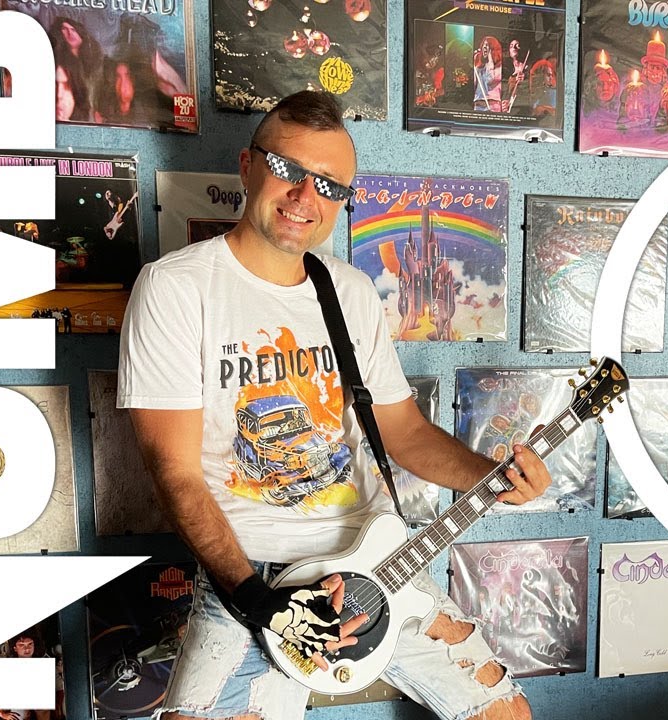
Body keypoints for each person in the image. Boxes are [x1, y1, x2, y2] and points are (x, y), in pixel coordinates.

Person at [118, 90, 548, 720]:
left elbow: (402, 431)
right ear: (247, 166)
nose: (305, 197)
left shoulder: (348, 289)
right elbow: (174, 474)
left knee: (505, 714)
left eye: (328, 184)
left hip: (375, 562)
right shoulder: (176, 288)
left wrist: (494, 478)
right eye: (287, 169)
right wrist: (257, 604)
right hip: (254, 576)